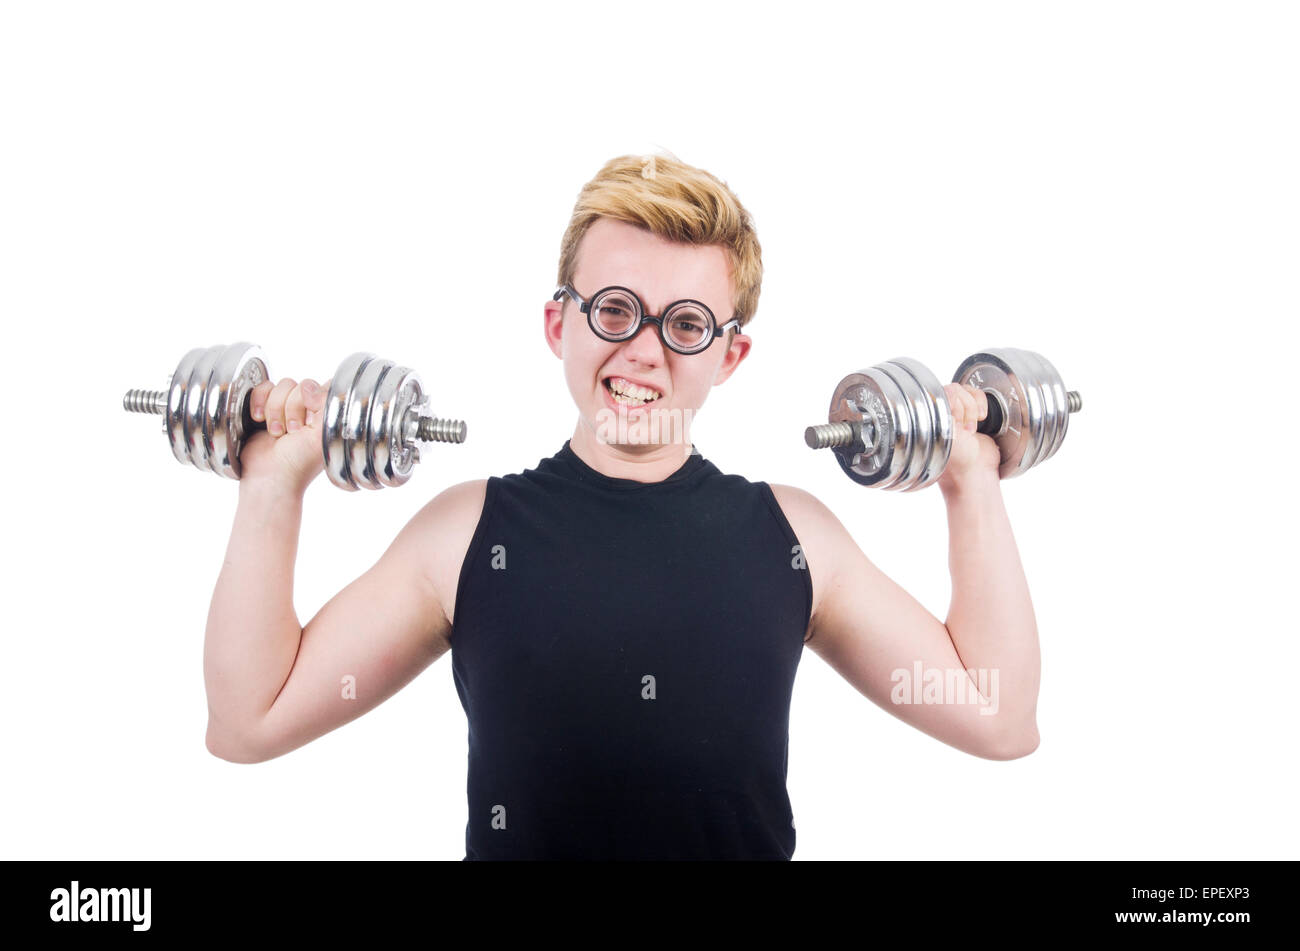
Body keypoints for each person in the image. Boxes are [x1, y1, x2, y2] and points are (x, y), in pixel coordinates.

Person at [202, 153, 1041, 860]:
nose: (641, 348)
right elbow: (250, 719)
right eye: (613, 310)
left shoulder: (795, 538)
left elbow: (997, 718)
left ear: (732, 353)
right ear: (556, 323)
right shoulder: (464, 534)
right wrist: (272, 486)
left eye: (684, 324)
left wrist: (971, 481)